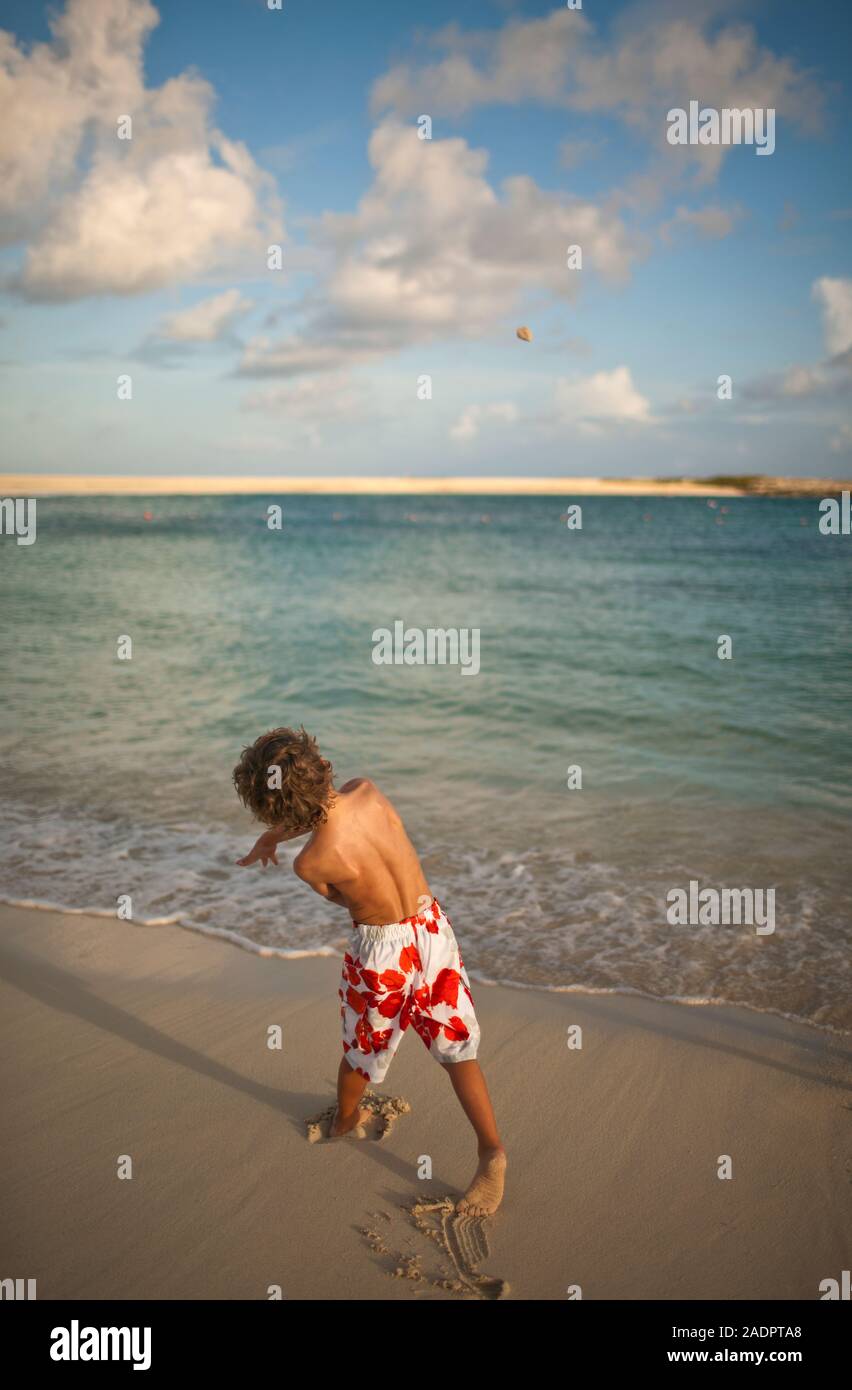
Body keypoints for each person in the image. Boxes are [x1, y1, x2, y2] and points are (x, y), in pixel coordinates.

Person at [233, 725, 506, 1216]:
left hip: (383, 956)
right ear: (322, 764)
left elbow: (342, 898)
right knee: (457, 1050)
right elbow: (329, 810)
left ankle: (346, 1118)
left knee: (362, 1050)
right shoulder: (368, 790)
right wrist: (274, 834)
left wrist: (274, 837)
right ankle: (491, 1151)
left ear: (275, 811)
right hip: (433, 929)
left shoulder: (312, 862)